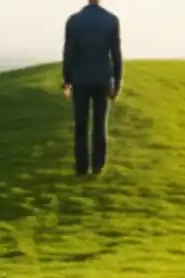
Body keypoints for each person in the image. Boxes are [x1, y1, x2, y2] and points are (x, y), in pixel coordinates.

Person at [62, 0, 123, 176]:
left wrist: (67, 80)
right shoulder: (111, 20)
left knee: (80, 125)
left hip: (80, 79)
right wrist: (117, 83)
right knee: (99, 124)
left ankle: (81, 168)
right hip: (102, 79)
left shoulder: (74, 20)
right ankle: (98, 166)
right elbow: (116, 54)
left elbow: (68, 53)